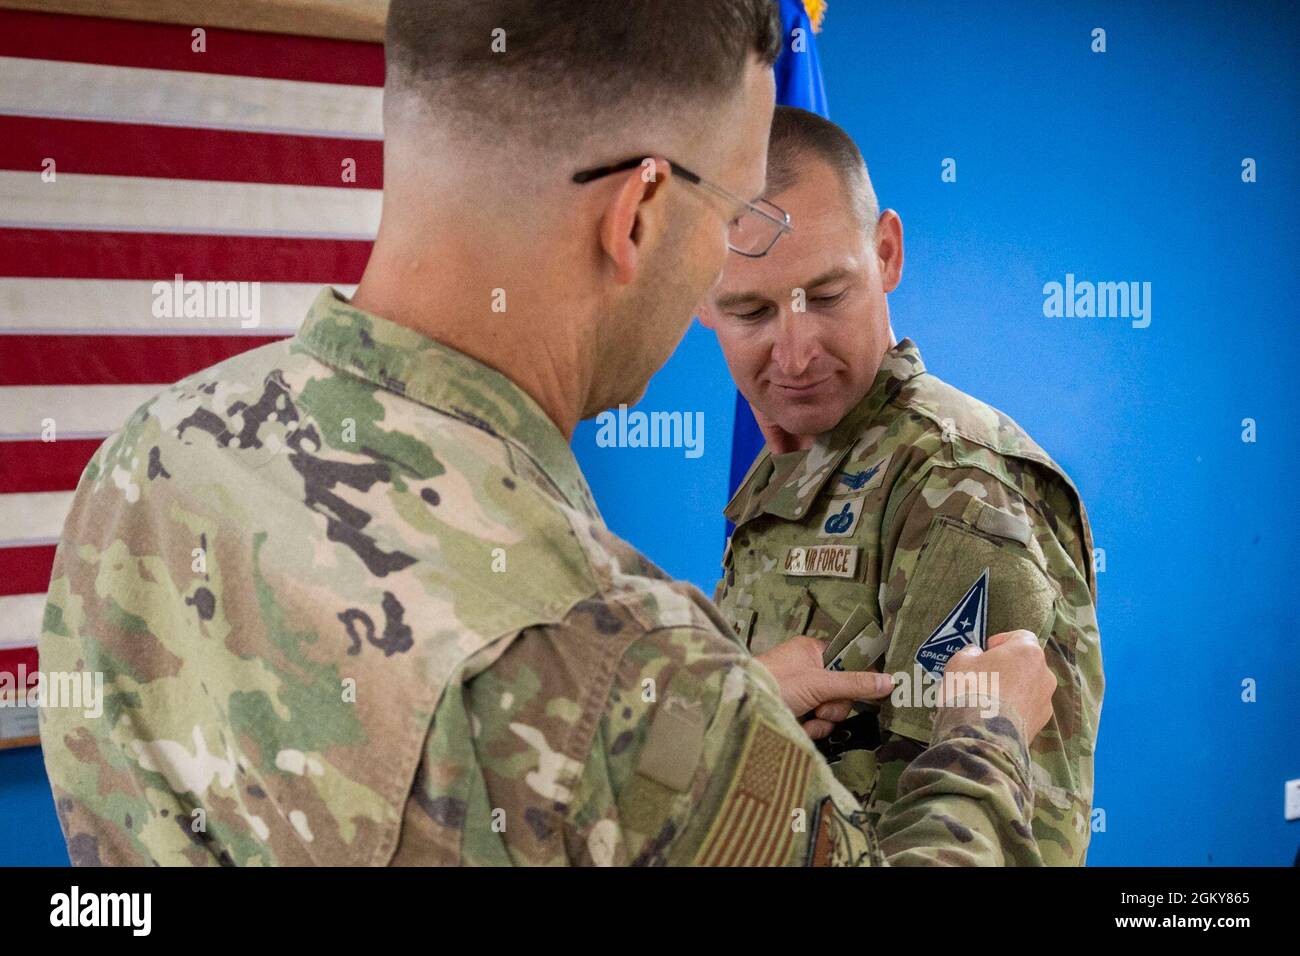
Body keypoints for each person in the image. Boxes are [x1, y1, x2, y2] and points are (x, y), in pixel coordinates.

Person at [39, 0, 1054, 866]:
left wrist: (718, 712)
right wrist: (987, 733)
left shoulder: (152, 452)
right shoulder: (619, 667)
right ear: (639, 213)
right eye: (737, 213)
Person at [702, 106, 1103, 865]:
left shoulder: (958, 483)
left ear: (886, 253)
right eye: (751, 310)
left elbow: (980, 844)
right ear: (694, 293)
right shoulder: (788, 471)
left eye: (826, 296)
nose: (794, 354)